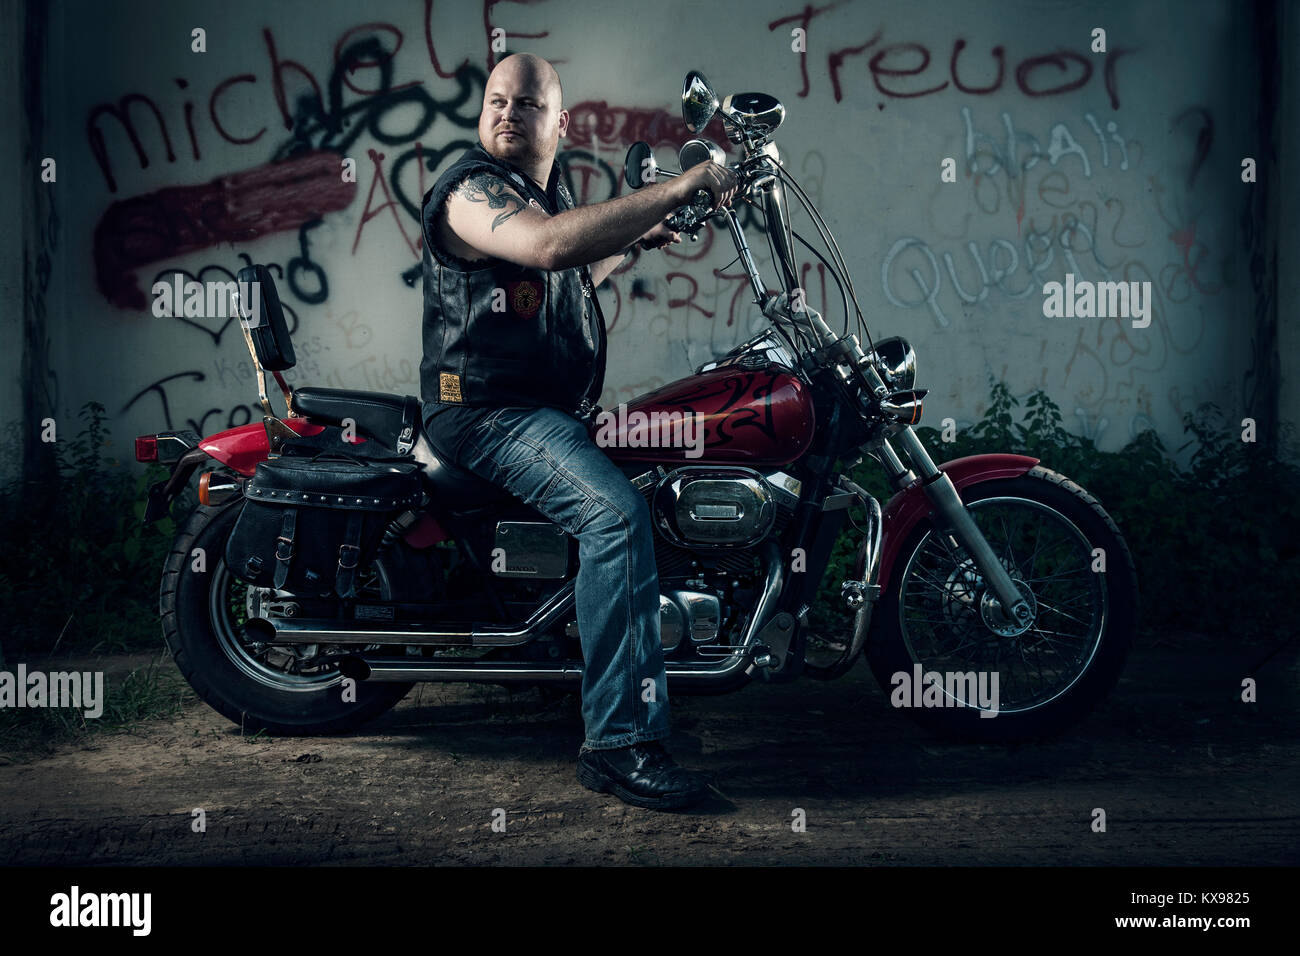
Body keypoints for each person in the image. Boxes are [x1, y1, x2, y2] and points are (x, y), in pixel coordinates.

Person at [418, 53, 739, 811]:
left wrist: (639, 238)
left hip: (534, 408)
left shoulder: (537, 192)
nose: (506, 113)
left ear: (557, 123)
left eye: (525, 104)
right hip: (485, 413)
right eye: (496, 100)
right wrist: (682, 183)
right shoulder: (469, 190)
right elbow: (550, 248)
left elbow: (550, 279)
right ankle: (619, 744)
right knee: (615, 516)